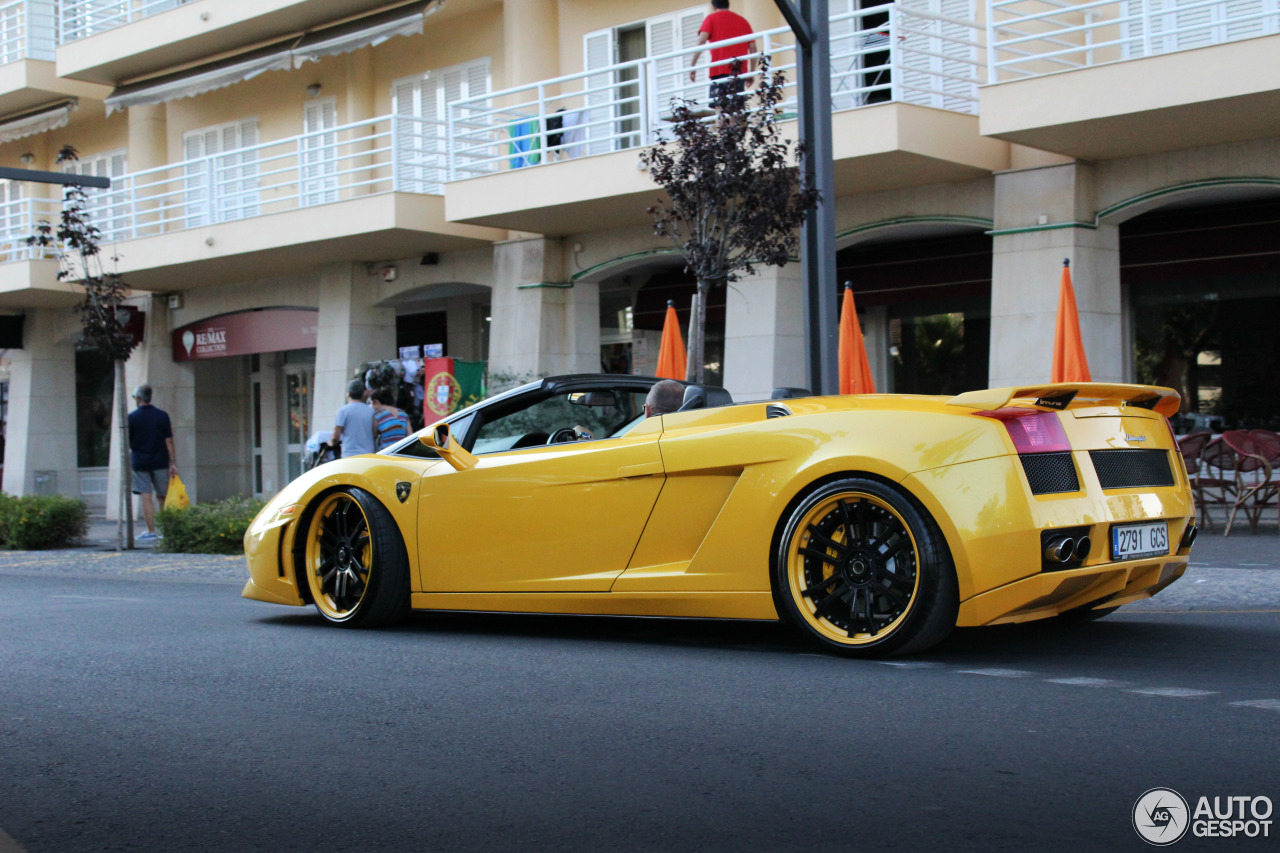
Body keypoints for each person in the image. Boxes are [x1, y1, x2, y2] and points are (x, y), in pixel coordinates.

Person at [127, 384, 176, 541]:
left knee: (145, 495)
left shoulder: (131, 418)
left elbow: (128, 441)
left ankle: (151, 531)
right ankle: (165, 530)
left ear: (139, 398)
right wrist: (172, 462)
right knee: (162, 495)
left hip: (140, 461)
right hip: (160, 460)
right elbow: (169, 441)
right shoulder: (162, 416)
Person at [688, 0, 758, 104]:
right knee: (736, 106)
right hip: (738, 72)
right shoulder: (743, 21)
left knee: (720, 107)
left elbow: (701, 41)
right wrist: (751, 72)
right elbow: (753, 48)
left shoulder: (711, 19)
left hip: (719, 71)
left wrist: (693, 65)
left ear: (713, 6)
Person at [331, 379, 376, 459]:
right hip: (367, 455)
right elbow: (374, 433)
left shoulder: (343, 411)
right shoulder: (371, 411)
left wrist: (330, 443)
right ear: (363, 393)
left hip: (349, 455)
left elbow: (336, 436)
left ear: (348, 394)